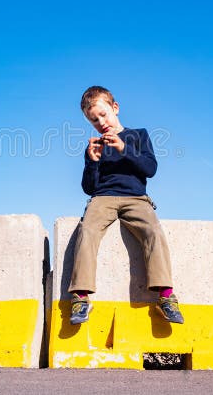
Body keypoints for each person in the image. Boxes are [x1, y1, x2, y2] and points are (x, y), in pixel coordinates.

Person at [68, 85, 184, 325]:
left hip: (136, 198)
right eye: (94, 120)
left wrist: (123, 148)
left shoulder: (138, 135)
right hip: (103, 198)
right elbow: (89, 187)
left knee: (153, 231)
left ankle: (165, 296)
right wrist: (92, 161)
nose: (101, 122)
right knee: (87, 230)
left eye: (104, 114)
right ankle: (81, 296)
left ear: (115, 108)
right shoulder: (95, 146)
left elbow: (149, 169)